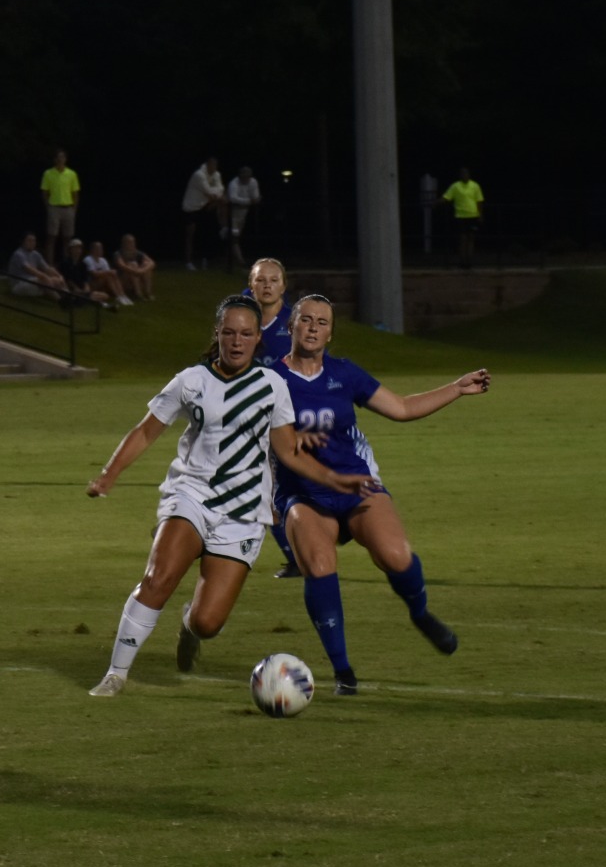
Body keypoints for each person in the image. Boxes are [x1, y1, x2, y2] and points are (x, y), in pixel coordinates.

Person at [83, 294, 374, 697]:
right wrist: (108, 474)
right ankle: (116, 674)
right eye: (230, 332)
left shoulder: (272, 387)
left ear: (258, 339)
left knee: (209, 623)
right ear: (217, 334)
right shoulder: (191, 381)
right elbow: (147, 429)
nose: (237, 341)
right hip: (191, 495)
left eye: (247, 334)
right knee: (157, 579)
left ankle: (189, 627)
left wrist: (335, 478)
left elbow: (288, 450)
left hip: (243, 513)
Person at [270, 294, 490, 693]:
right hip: (303, 494)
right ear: (291, 325)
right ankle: (343, 672)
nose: (314, 327)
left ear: (331, 332)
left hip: (356, 485)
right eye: (306, 320)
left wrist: (456, 389)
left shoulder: (344, 373)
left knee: (395, 556)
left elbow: (402, 408)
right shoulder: (269, 379)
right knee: (319, 565)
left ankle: (420, 613)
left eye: (322, 321)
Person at [242, 257, 300, 578]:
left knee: (274, 492)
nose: (267, 285)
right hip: (248, 419)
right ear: (251, 285)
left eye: (273, 280)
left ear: (284, 286)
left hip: (285, 420)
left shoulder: (295, 324)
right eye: (260, 280)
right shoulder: (241, 321)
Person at [180, 157, 227, 270]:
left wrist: (217, 194)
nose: (214, 168)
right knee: (190, 235)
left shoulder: (216, 174)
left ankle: (206, 259)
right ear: (207, 165)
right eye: (212, 165)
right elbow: (209, 191)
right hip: (191, 207)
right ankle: (188, 262)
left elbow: (221, 188)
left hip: (204, 206)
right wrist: (216, 193)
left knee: (206, 233)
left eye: (215, 165)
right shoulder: (199, 175)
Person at [39, 148, 81, 267]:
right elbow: (44, 192)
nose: (60, 160)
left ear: (65, 159)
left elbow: (75, 194)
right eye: (58, 157)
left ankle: (67, 265)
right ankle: (50, 264)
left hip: (68, 208)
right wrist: (48, 207)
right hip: (54, 207)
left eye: (62, 157)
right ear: (55, 159)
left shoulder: (72, 174)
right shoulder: (48, 173)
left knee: (67, 238)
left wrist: (74, 209)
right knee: (51, 236)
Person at [440, 167, 485, 269]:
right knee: (462, 240)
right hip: (460, 217)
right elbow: (446, 197)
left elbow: (480, 201)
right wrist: (436, 202)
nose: (465, 175)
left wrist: (480, 214)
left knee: (471, 239)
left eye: (466, 173)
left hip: (473, 216)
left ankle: (469, 261)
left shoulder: (475, 186)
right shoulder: (455, 186)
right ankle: (462, 261)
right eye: (463, 173)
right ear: (460, 175)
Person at [6, 233, 68, 300]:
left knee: (56, 280)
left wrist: (59, 276)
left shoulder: (36, 254)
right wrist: (46, 278)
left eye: (33, 241)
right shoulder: (18, 254)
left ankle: (69, 296)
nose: (32, 243)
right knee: (44, 279)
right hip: (19, 284)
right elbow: (29, 269)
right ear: (23, 242)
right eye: (29, 241)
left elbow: (47, 268)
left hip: (33, 282)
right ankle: (60, 300)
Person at [59, 239, 116, 307]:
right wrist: (76, 289)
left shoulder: (83, 265)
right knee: (77, 295)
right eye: (75, 248)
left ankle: (87, 300)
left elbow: (85, 280)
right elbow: (67, 279)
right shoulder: (65, 263)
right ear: (71, 250)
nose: (78, 251)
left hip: (82, 291)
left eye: (79, 248)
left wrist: (86, 288)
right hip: (72, 290)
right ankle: (87, 300)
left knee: (105, 296)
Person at [226, 166, 263, 267]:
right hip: (232, 214)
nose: (247, 178)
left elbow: (256, 197)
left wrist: (247, 202)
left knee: (237, 236)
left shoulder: (253, 182)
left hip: (244, 213)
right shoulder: (234, 184)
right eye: (244, 175)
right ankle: (240, 260)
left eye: (248, 176)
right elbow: (233, 198)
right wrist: (248, 201)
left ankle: (233, 260)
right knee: (234, 237)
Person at [80, 240, 132, 306]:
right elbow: (94, 274)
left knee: (111, 276)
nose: (101, 250)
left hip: (102, 283)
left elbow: (109, 274)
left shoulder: (103, 260)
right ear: (93, 250)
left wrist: (111, 273)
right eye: (99, 249)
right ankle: (118, 296)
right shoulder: (88, 259)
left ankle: (122, 295)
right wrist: (109, 272)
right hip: (91, 284)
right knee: (108, 275)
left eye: (101, 248)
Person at [114, 233, 157, 302]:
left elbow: (152, 262)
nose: (131, 244)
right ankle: (138, 293)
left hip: (135, 277)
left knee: (146, 264)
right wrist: (135, 271)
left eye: (132, 242)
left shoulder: (138, 253)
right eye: (129, 242)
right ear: (124, 243)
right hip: (123, 280)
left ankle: (148, 292)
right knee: (133, 264)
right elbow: (121, 265)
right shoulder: (118, 253)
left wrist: (142, 270)